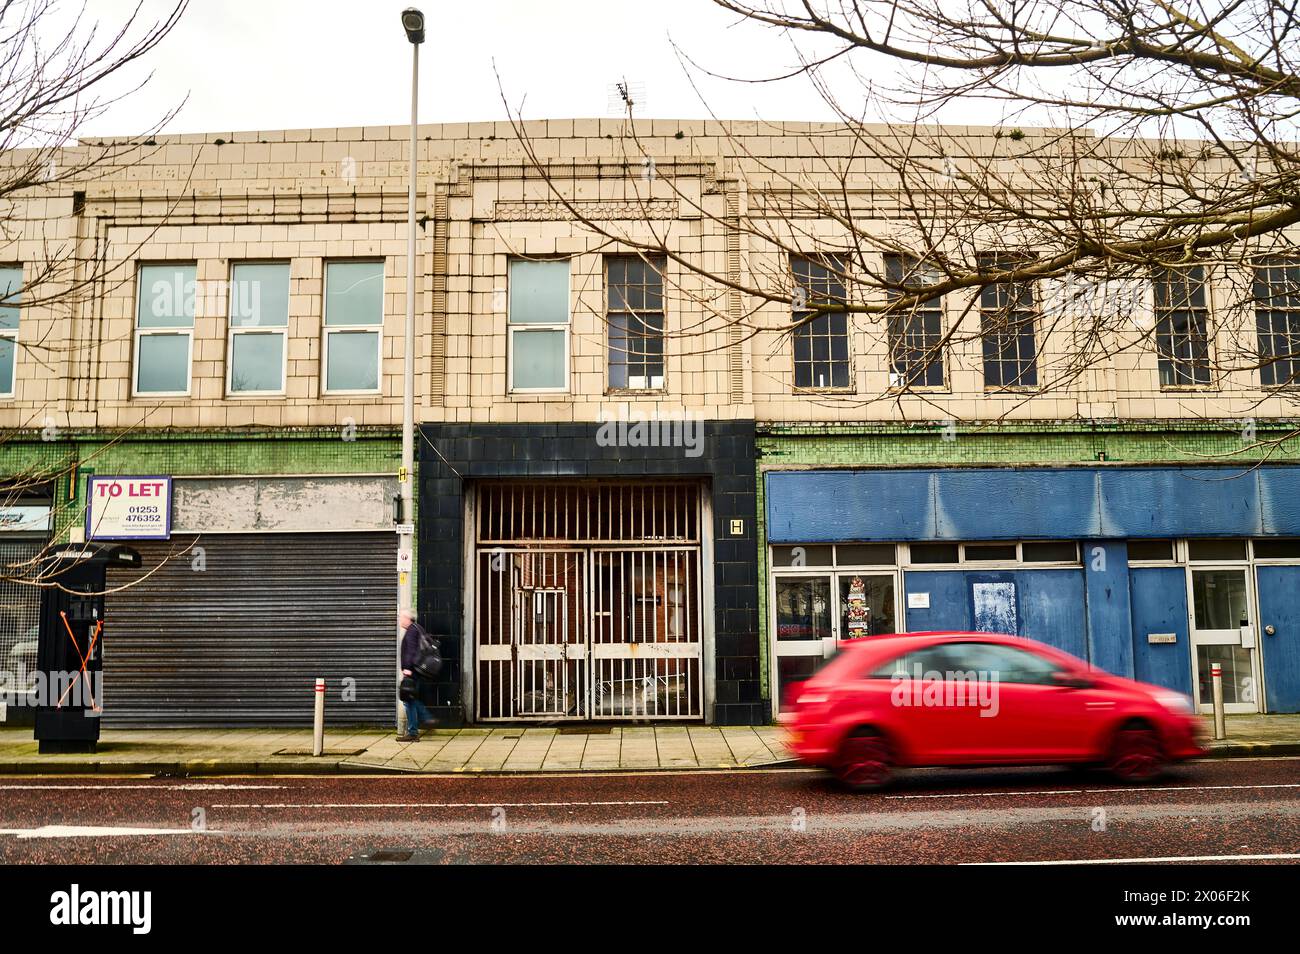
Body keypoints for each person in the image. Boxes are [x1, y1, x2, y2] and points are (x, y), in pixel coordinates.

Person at [397, 607, 436, 742]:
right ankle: (427, 719)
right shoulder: (416, 628)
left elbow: (411, 652)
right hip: (416, 670)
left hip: (411, 671)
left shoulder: (412, 631)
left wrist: (407, 668)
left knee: (408, 700)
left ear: (408, 618)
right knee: (411, 699)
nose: (399, 619)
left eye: (401, 617)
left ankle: (413, 732)